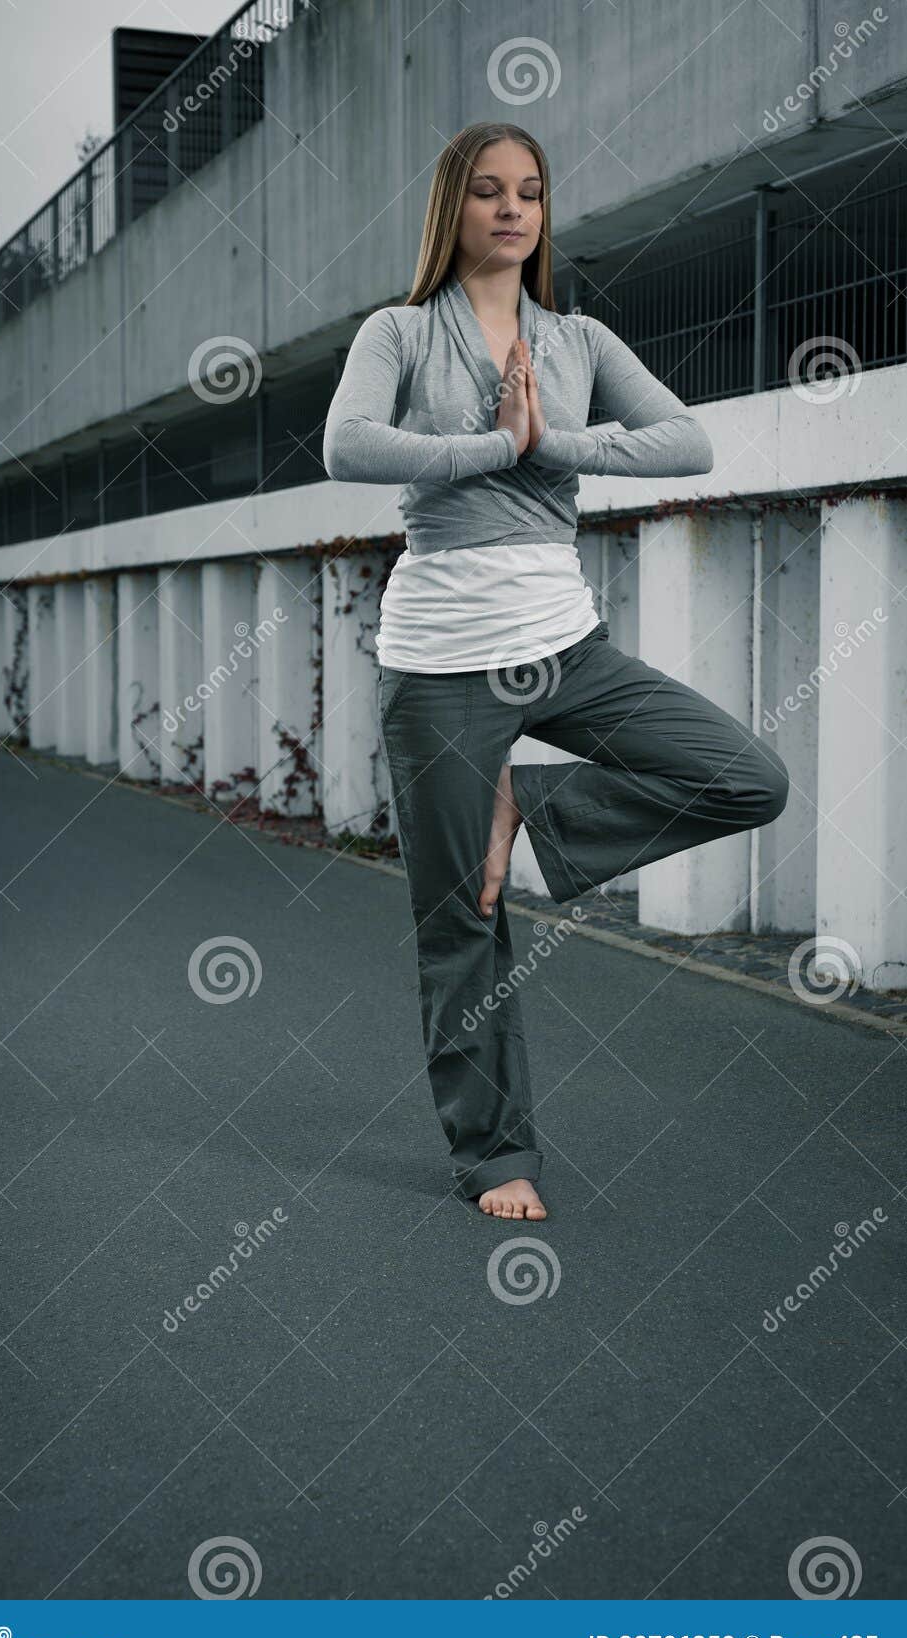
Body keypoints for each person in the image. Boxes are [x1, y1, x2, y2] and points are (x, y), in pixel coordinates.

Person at [322, 121, 789, 1223]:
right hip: (438, 663)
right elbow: (348, 445)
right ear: (455, 208)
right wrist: (492, 444)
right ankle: (494, 1153)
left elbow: (686, 443)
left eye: (529, 191)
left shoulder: (576, 339)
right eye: (488, 191)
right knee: (463, 921)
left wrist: (551, 444)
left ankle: (524, 803)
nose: (512, 208)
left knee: (742, 774)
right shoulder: (398, 331)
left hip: (566, 648)